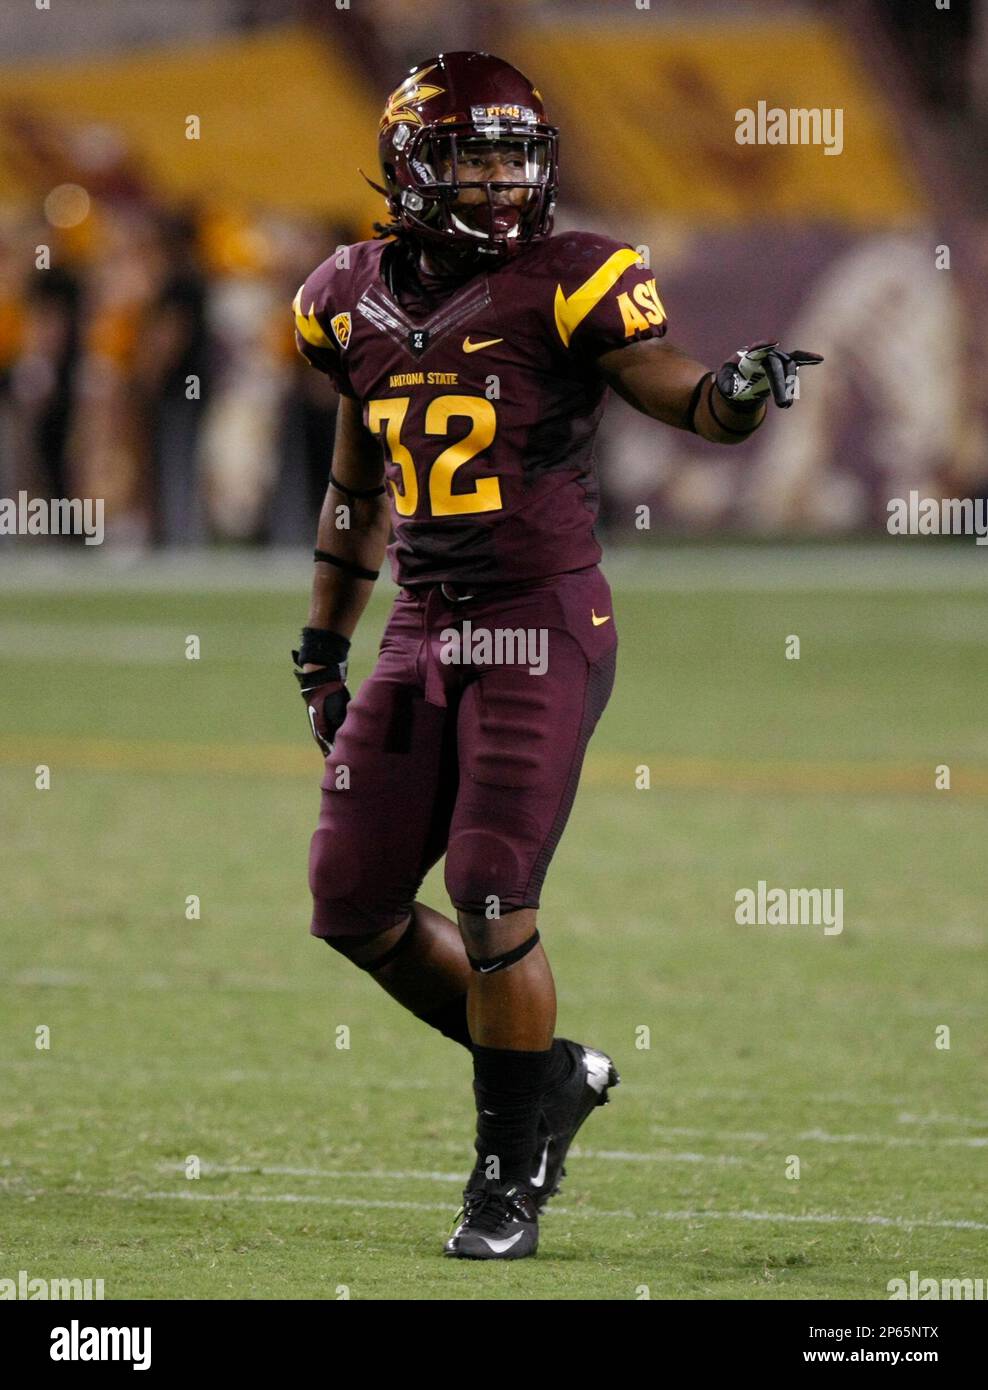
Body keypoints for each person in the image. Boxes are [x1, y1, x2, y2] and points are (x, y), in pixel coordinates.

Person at [290, 51, 821, 1260]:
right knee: (350, 903)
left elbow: (675, 391)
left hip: (539, 618)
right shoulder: (343, 296)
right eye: (473, 158)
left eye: (516, 158)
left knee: (488, 885)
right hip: (423, 626)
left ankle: (505, 1173)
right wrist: (323, 649)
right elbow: (353, 485)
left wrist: (737, 392)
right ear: (412, 167)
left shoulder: (571, 281)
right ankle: (556, 1077)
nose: (499, 184)